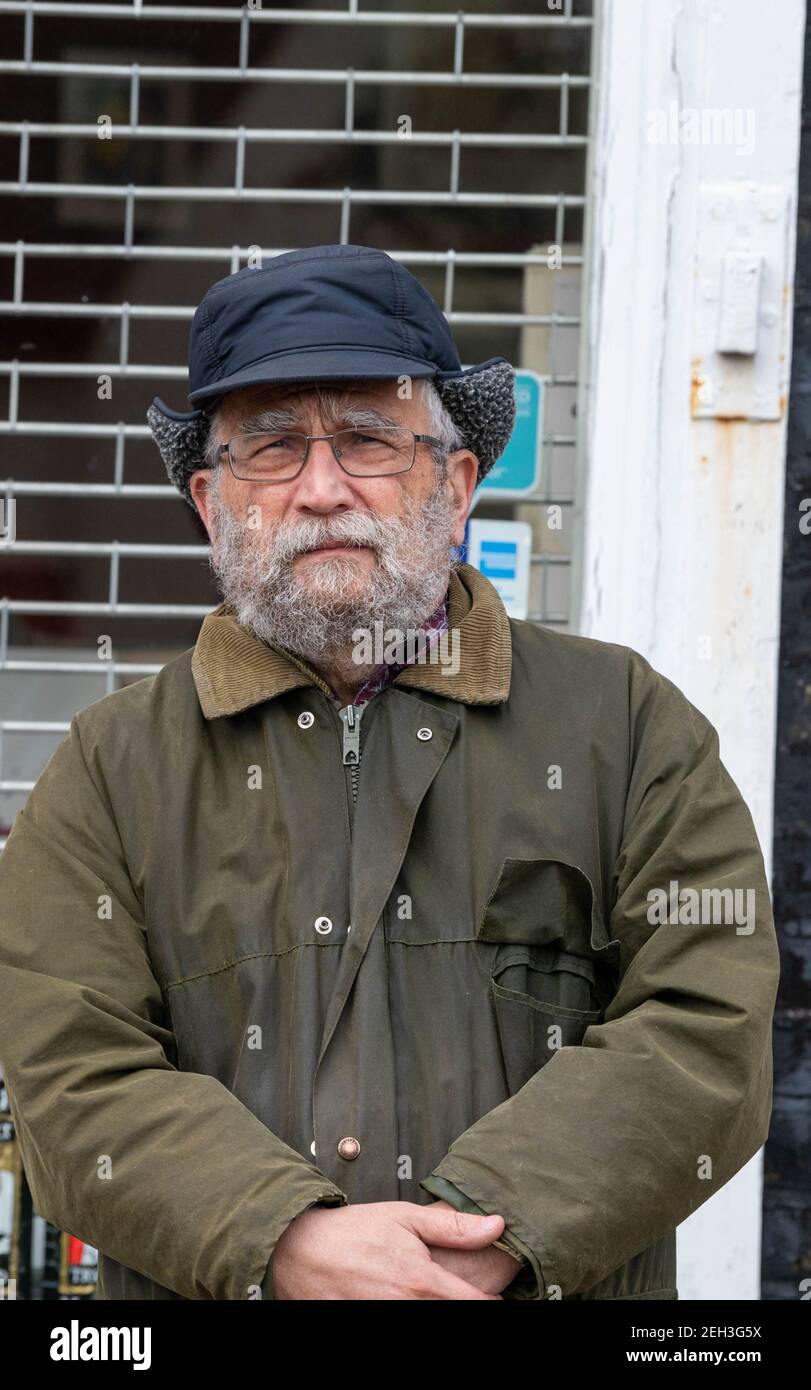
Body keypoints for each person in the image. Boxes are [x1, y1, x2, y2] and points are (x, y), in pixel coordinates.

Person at [0, 244, 779, 1300]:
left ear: (456, 484)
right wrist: (282, 1239)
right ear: (208, 502)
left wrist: (468, 1243)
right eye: (270, 447)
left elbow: (707, 1028)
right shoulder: (110, 769)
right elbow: (66, 1072)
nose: (322, 489)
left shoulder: (627, 727)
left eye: (368, 437)